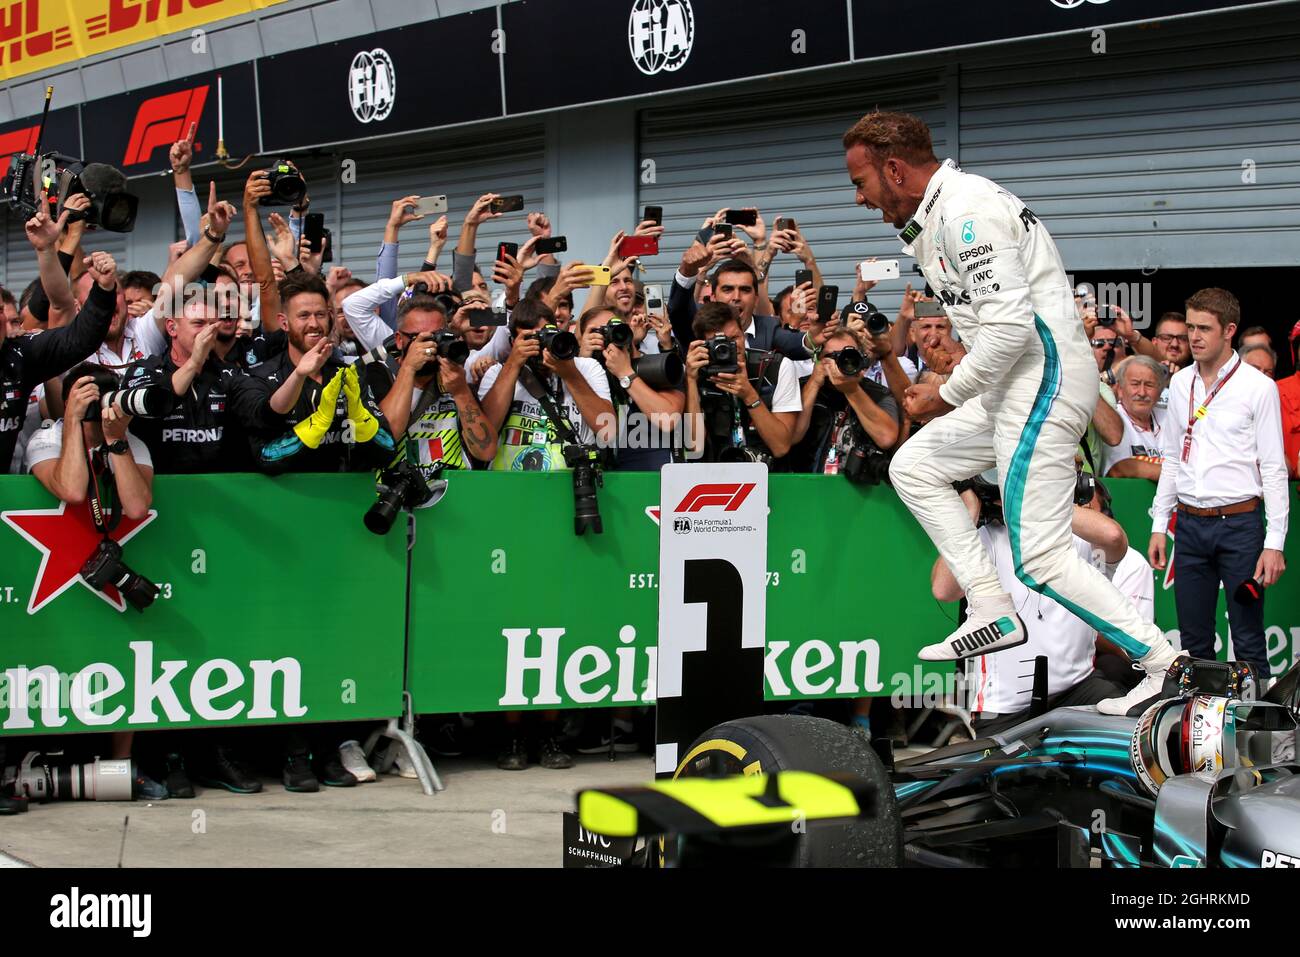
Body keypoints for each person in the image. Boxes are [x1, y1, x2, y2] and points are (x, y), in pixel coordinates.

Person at [843, 110, 1176, 715]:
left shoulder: (967, 213)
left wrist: (944, 393)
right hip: (1018, 388)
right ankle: (993, 607)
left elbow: (1011, 332)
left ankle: (1162, 665)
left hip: (1041, 383)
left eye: (861, 183)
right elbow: (995, 334)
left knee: (1042, 554)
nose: (860, 199)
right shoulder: (934, 219)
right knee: (913, 465)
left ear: (893, 170)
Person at [26, 362, 163, 798]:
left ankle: (122, 768)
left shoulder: (131, 443)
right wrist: (71, 421)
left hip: (108, 573)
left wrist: (115, 441)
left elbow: (138, 506)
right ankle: (43, 760)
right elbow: (69, 488)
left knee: (124, 663)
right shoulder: (46, 438)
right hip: (52, 577)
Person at [1149, 288, 1288, 684]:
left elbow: (1274, 467)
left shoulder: (1257, 387)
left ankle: (1261, 736)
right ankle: (1202, 739)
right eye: (1190, 327)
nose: (1193, 337)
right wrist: (1160, 524)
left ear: (1229, 330)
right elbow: (1173, 457)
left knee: (1247, 639)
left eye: (1204, 328)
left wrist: (1274, 542)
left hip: (1241, 526)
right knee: (1194, 643)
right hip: (1189, 526)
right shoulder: (1179, 385)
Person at [930, 482, 1128, 735]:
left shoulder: (1079, 540)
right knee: (1013, 775)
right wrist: (968, 516)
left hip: (1078, 688)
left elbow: (1113, 536)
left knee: (1130, 739)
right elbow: (943, 590)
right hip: (1005, 708)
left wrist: (1036, 505)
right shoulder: (984, 536)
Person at [683, 301, 802, 462]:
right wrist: (690, 380)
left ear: (744, 333)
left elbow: (780, 446)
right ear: (702, 345)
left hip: (768, 476)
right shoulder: (697, 372)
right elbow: (695, 447)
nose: (731, 347)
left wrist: (749, 395)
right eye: (719, 344)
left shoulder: (775, 367)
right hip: (714, 476)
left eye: (735, 338)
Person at [1101, 355, 1168, 480]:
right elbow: (1119, 469)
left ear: (1159, 393)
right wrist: (1174, 473)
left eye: (1149, 385)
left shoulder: (1170, 418)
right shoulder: (1112, 418)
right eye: (1135, 384)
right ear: (1120, 389)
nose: (1142, 393)